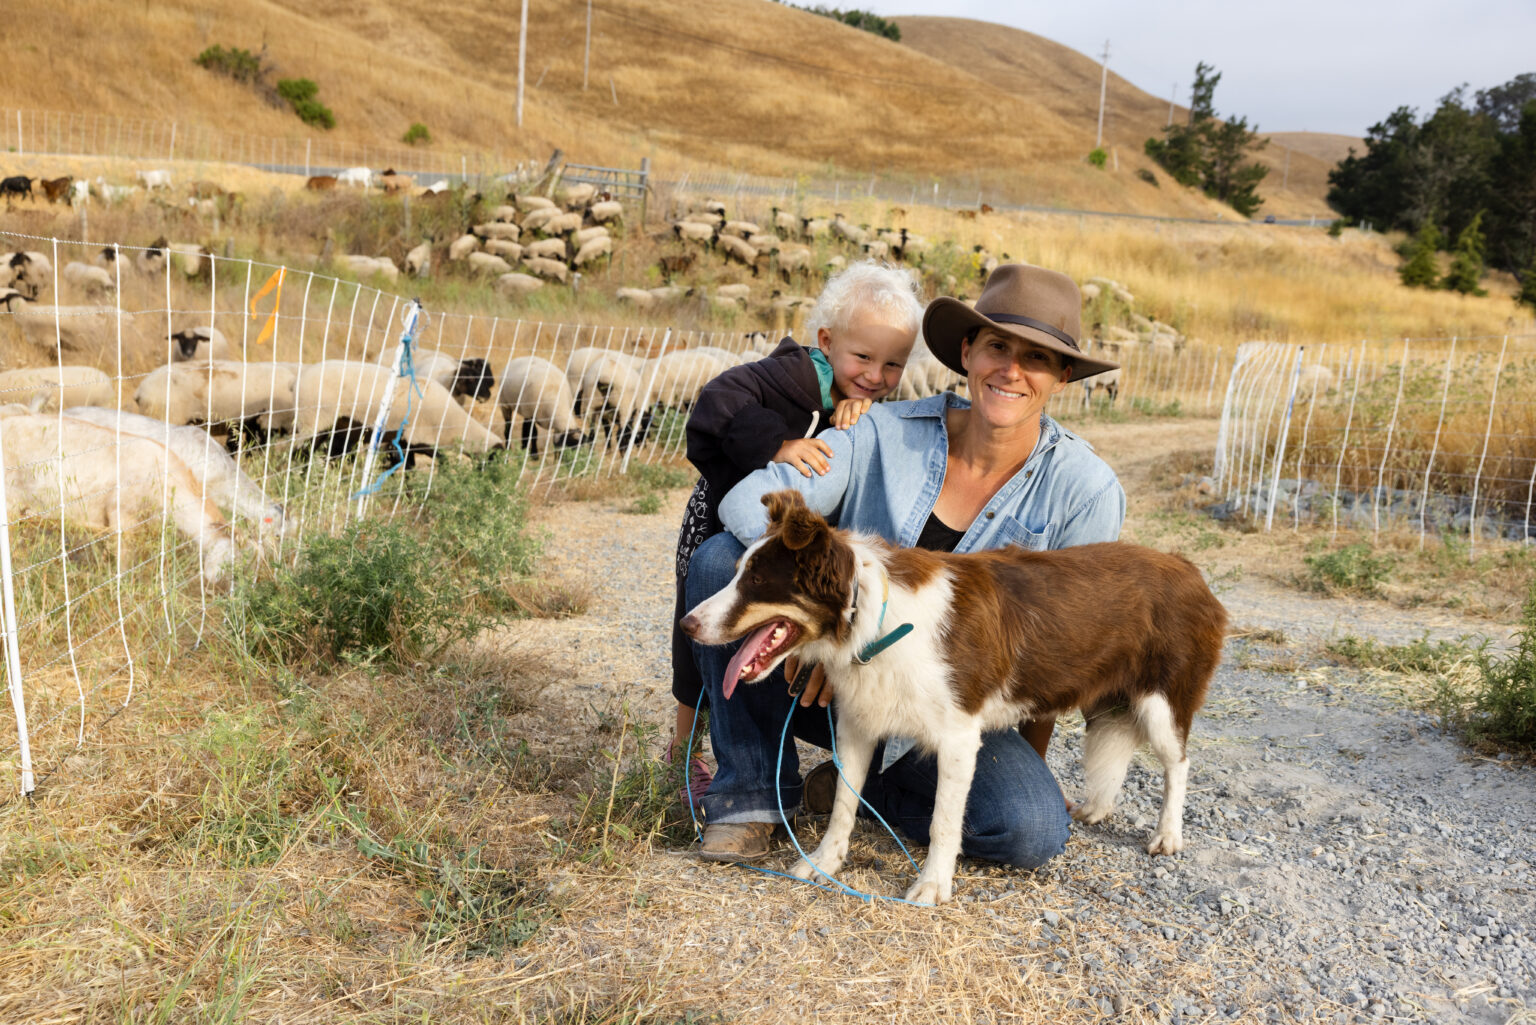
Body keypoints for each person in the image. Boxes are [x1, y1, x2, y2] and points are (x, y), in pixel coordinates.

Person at [683, 263, 1125, 866]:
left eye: (1037, 359)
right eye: (997, 346)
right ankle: (754, 797)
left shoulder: (1086, 491)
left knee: (1029, 830)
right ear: (967, 351)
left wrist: (1029, 763)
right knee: (720, 561)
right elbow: (742, 504)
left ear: (1064, 375)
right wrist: (832, 617)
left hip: (953, 706)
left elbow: (1064, 650)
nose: (1011, 371)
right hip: (831, 690)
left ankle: (870, 794)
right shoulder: (877, 432)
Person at [667, 262, 924, 803]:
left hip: (784, 541)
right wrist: (775, 445)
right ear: (826, 341)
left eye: (893, 364)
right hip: (723, 518)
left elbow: (840, 465)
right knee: (703, 631)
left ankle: (815, 761)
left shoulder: (863, 407)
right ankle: (683, 745)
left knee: (775, 633)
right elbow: (713, 406)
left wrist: (856, 417)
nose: (876, 376)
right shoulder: (782, 378)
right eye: (863, 358)